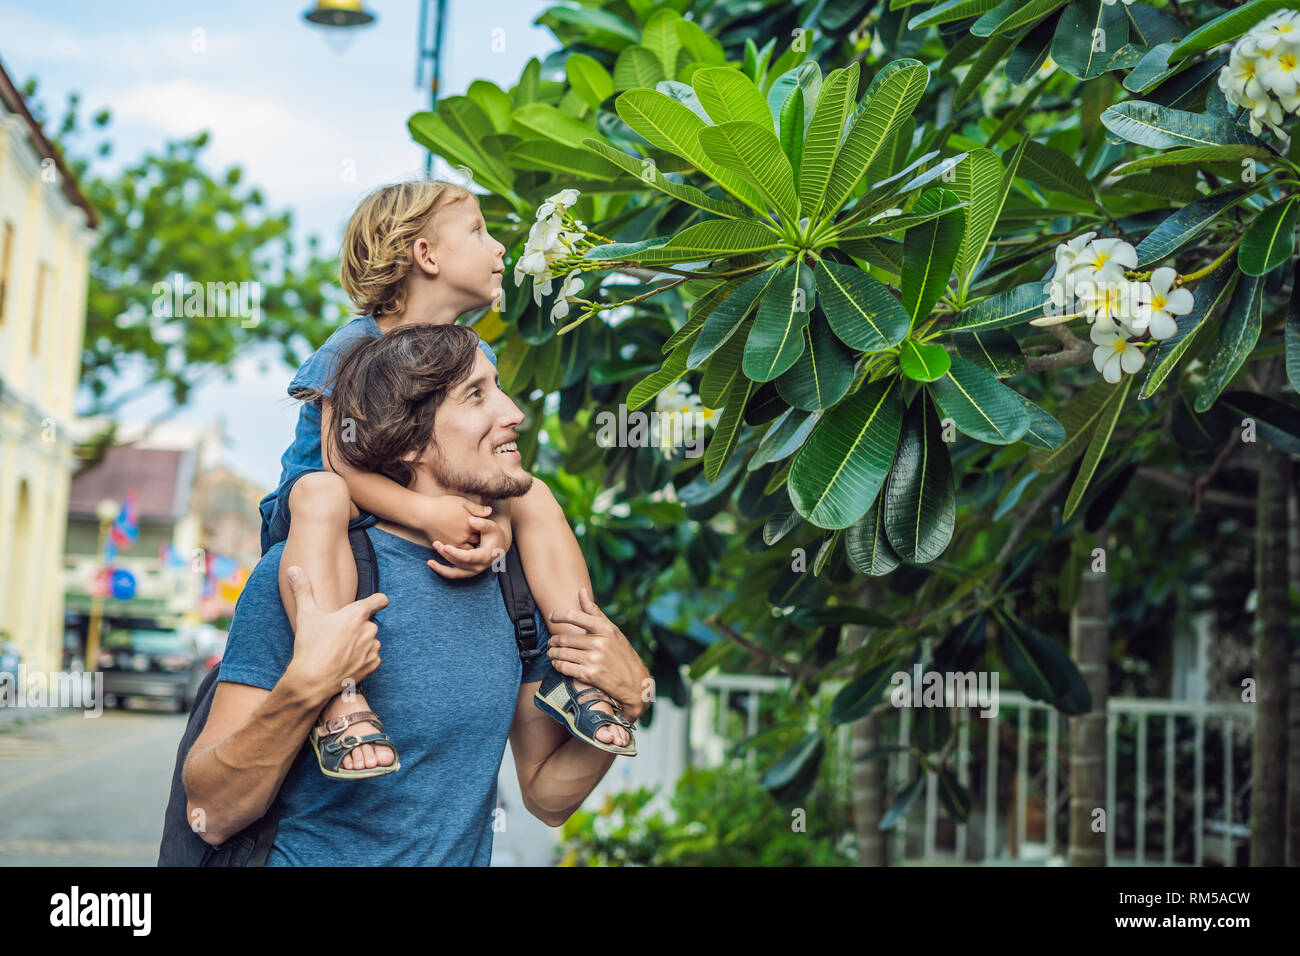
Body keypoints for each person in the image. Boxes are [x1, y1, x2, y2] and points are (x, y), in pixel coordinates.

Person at [182, 324, 652, 865]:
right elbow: (211, 812)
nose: (514, 412)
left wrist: (629, 702)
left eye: (498, 387)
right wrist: (307, 687)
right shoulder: (306, 576)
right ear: (409, 444)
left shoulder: (517, 588)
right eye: (477, 395)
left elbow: (547, 797)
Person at [255, 179, 633, 778]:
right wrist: (429, 514)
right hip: (323, 511)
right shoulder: (355, 343)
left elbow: (493, 465)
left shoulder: (470, 351)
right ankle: (336, 695)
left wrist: (500, 522)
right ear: (426, 256)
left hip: (414, 503)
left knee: (532, 490)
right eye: (480, 232)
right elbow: (339, 462)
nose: (501, 248)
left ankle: (575, 670)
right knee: (321, 494)